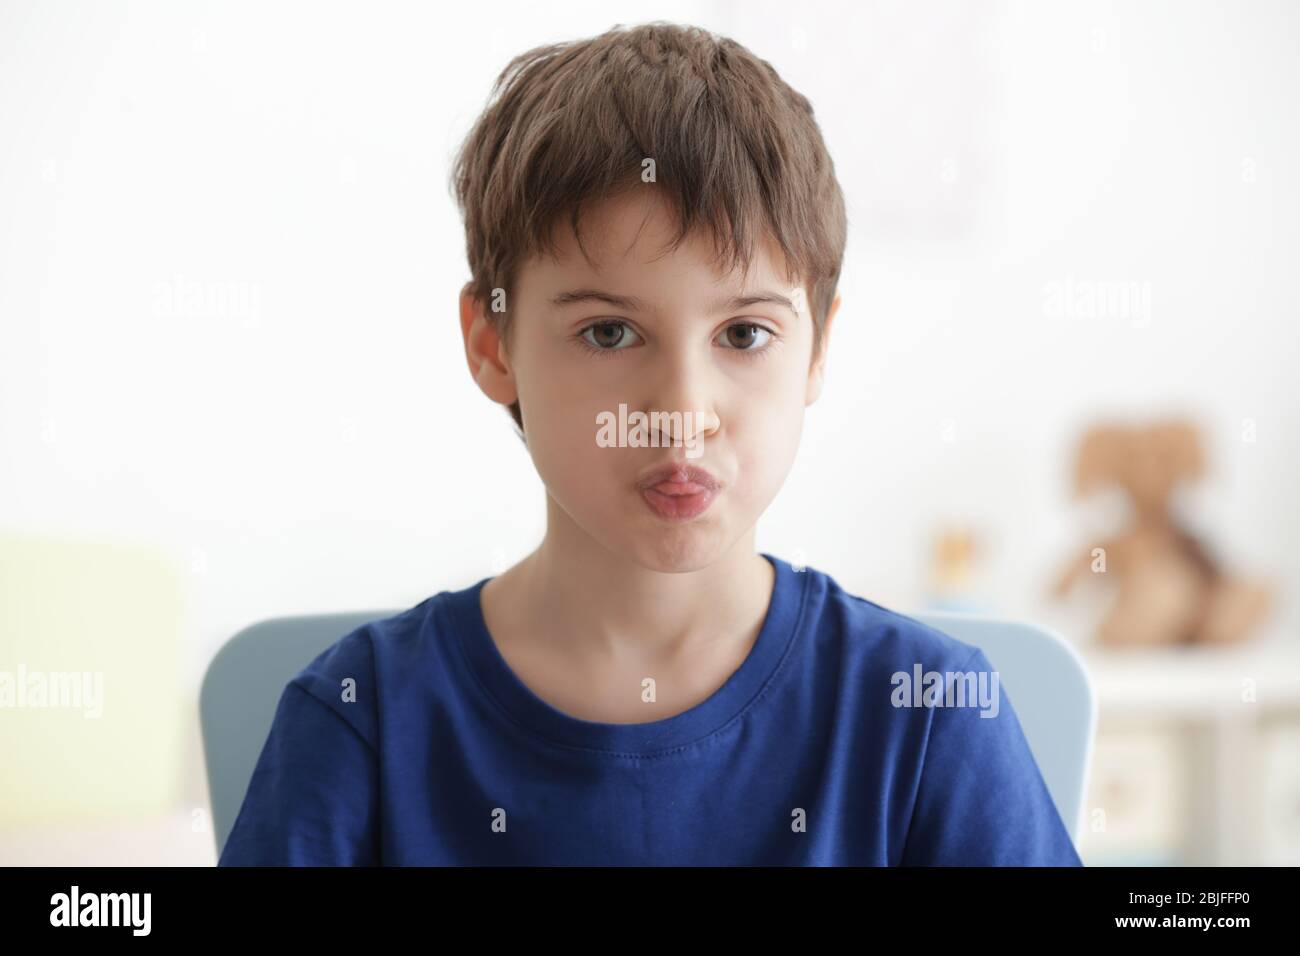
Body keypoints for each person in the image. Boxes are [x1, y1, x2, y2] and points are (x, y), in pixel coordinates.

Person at [218, 21, 1082, 866]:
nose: (681, 411)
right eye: (607, 334)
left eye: (744, 335)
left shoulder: (929, 715)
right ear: (492, 344)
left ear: (818, 348)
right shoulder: (360, 719)